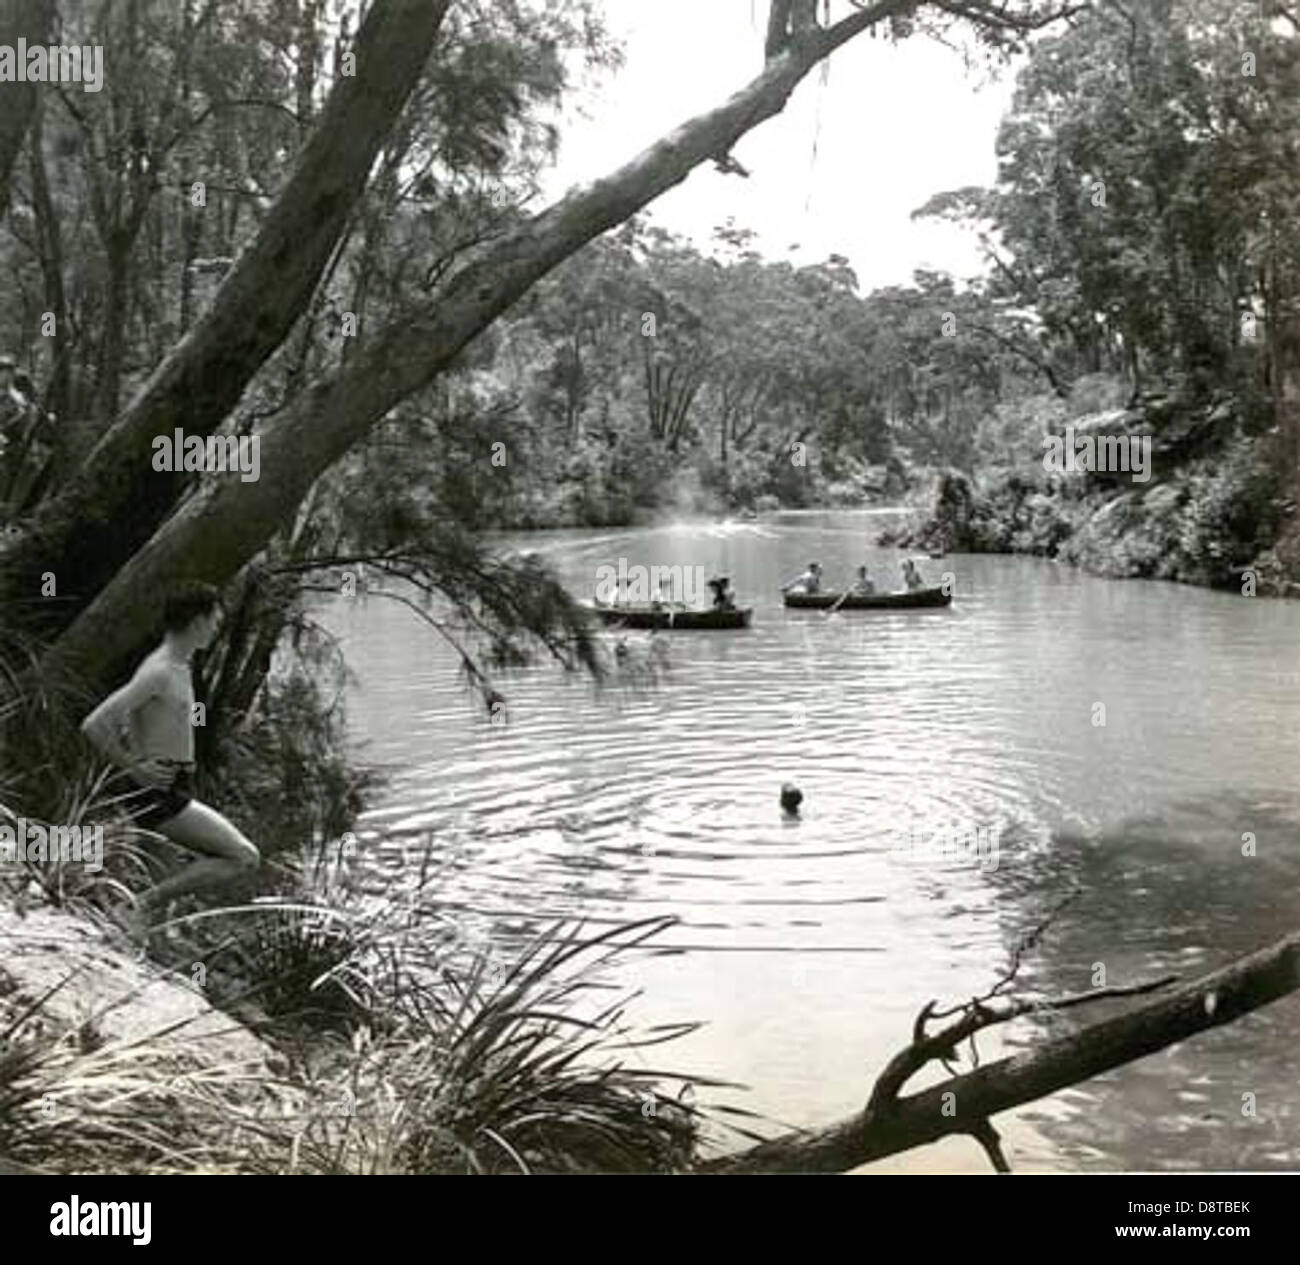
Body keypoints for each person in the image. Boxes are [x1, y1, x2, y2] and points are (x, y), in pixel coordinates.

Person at [80, 582, 260, 935]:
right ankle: (132, 905)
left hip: (172, 784)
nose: (217, 628)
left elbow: (151, 722)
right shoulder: (159, 671)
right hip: (157, 791)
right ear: (197, 620)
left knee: (161, 891)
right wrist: (135, 766)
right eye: (215, 621)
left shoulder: (179, 666)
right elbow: (95, 724)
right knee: (243, 856)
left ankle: (130, 931)